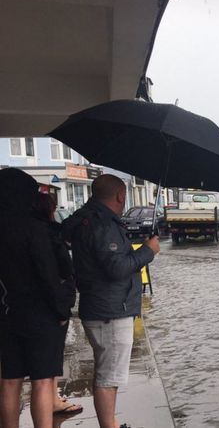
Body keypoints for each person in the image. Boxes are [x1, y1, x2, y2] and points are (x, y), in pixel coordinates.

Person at [62, 175, 160, 428]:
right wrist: (148, 251)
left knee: (106, 371)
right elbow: (116, 268)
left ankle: (111, 422)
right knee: (108, 377)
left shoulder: (88, 219)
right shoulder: (104, 225)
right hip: (111, 311)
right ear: (120, 196)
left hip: (101, 307)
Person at [0, 168, 76, 428]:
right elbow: (48, 276)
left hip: (7, 314)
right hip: (40, 316)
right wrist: (62, 311)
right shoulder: (35, 229)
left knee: (10, 380)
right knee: (42, 381)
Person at [31, 193, 84, 416]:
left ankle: (53, 398)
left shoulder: (15, 231)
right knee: (45, 372)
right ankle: (51, 402)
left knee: (19, 376)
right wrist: (62, 310)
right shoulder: (48, 235)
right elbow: (62, 270)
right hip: (50, 310)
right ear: (50, 210)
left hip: (19, 309)